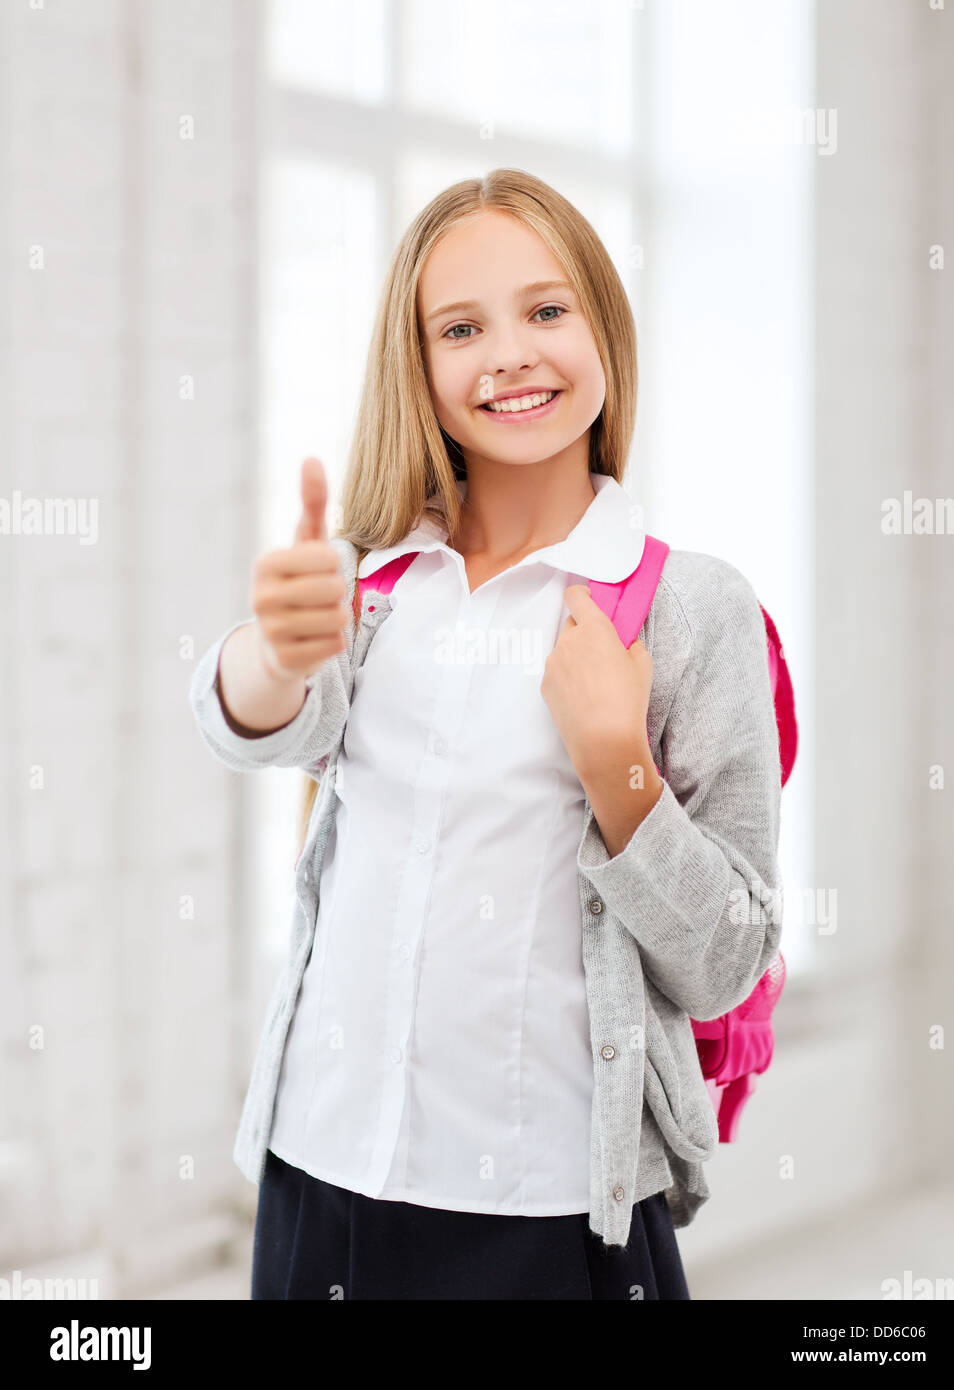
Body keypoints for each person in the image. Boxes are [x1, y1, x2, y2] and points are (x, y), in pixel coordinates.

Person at [188, 168, 784, 1300]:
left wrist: (620, 771)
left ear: (604, 331)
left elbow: (726, 960)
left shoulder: (691, 608)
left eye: (546, 310)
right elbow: (255, 730)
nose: (507, 352)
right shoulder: (373, 585)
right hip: (322, 1173)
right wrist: (271, 653)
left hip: (549, 1206)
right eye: (461, 327)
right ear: (416, 368)